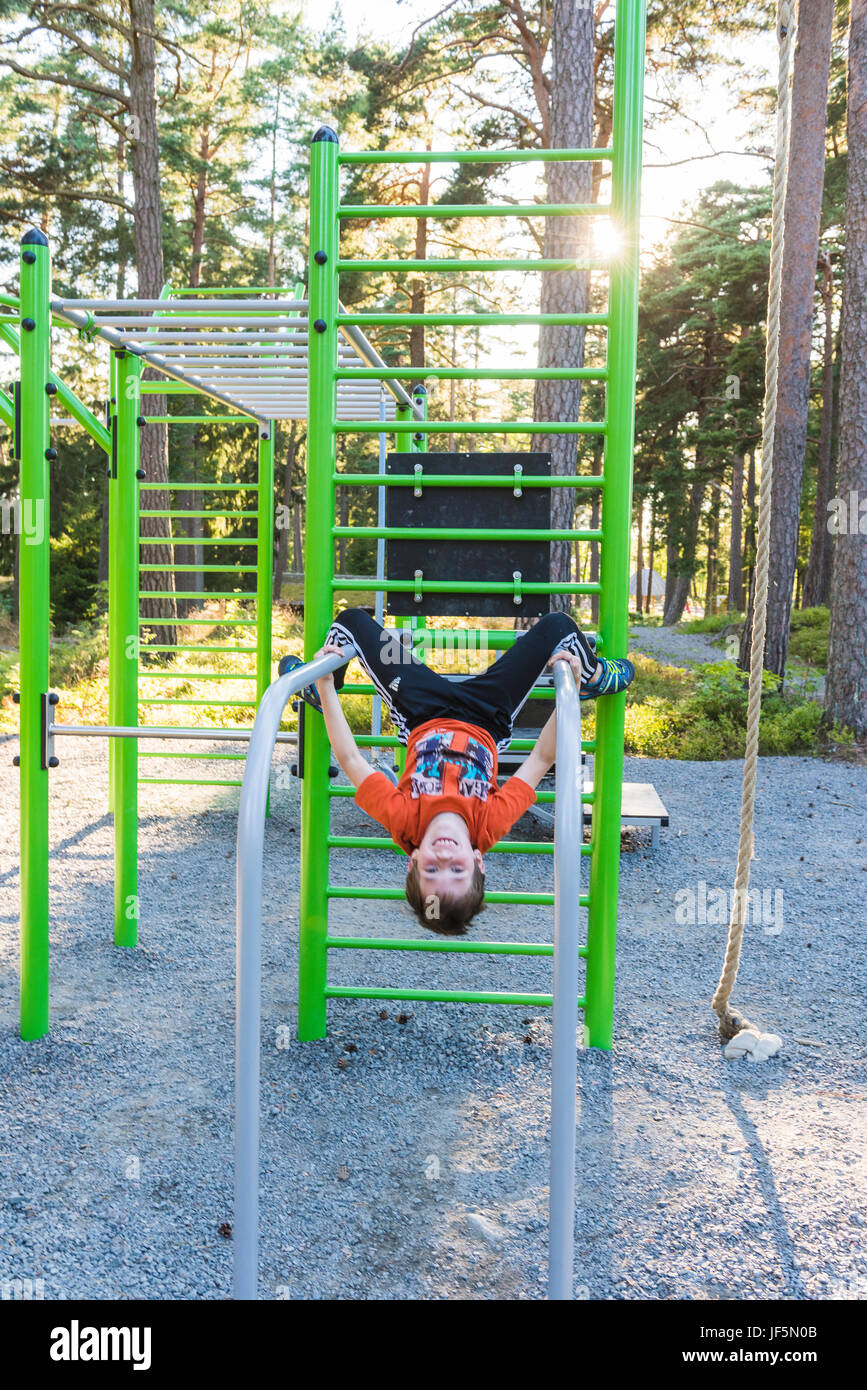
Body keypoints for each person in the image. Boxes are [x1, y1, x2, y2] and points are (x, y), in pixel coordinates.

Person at [281, 608, 633, 936]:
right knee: (559, 627)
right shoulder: (490, 821)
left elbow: (351, 760)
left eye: (432, 871)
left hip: (423, 709)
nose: (445, 858)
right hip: (487, 711)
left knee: (352, 622)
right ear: (478, 862)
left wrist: (326, 687)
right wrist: (568, 694)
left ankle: (319, 683)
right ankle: (593, 676)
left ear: (413, 862)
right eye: (457, 870)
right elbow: (541, 758)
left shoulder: (403, 819)